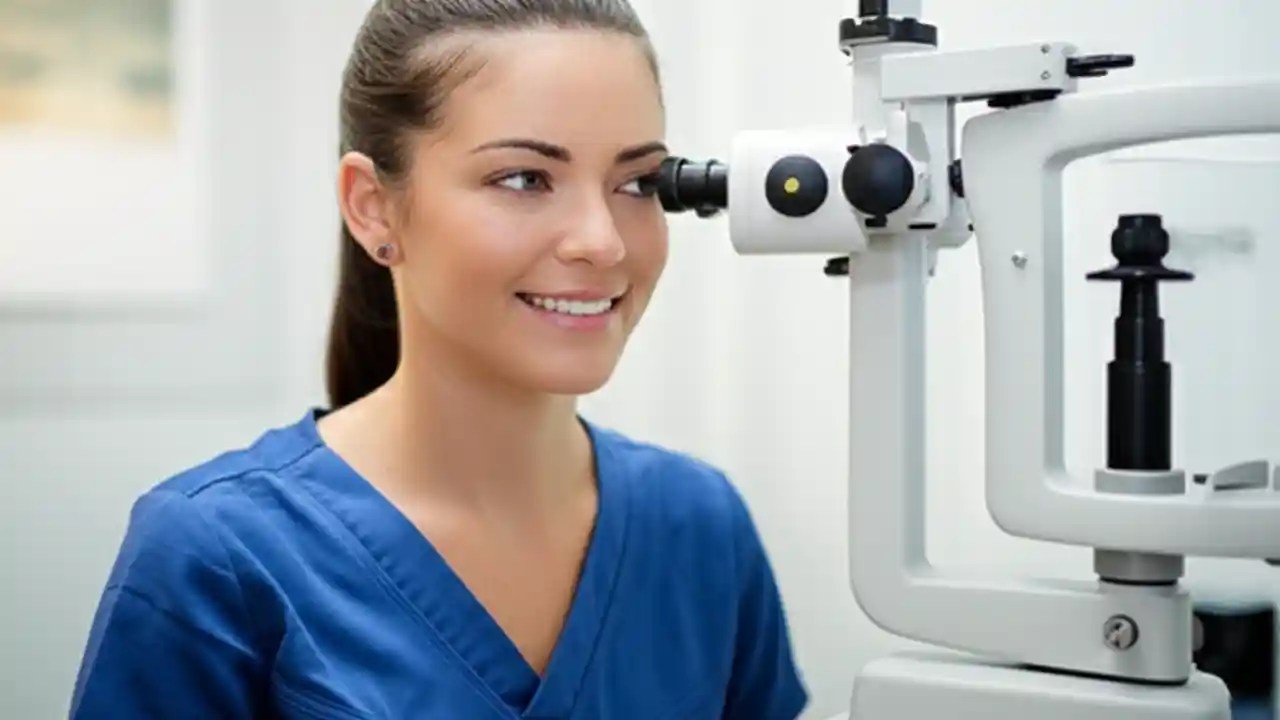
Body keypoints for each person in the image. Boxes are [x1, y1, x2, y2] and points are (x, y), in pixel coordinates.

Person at [69, 0, 809, 717]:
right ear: (373, 206)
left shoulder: (700, 526)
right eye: (524, 178)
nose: (603, 241)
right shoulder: (215, 554)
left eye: (638, 183)